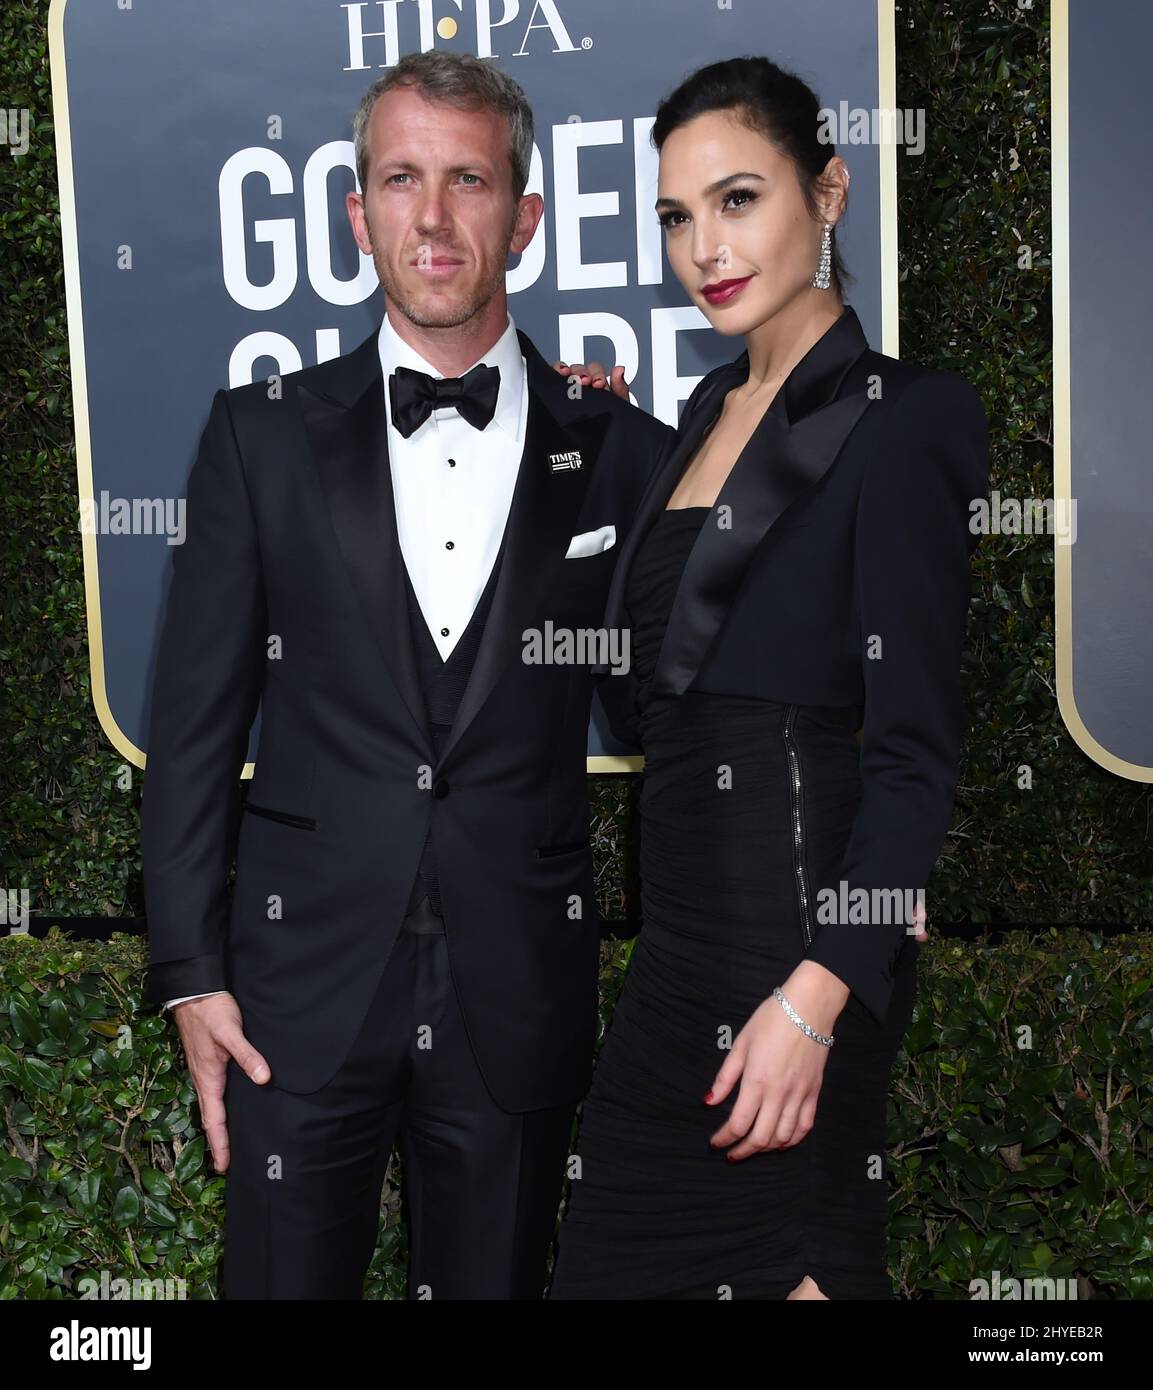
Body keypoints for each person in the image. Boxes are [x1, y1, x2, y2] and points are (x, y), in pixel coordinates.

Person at [140, 50, 672, 1300]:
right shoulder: (255, 437)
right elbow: (194, 730)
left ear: (525, 218)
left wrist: (815, 880)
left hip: (516, 993)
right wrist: (190, 974)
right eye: (400, 179)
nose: (432, 219)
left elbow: (680, 719)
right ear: (357, 213)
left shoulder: (623, 450)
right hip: (293, 1001)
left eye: (468, 181)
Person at [548, 55, 988, 1300]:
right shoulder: (690, 415)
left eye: (738, 200)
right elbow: (653, 693)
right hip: (680, 954)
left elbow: (912, 754)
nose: (704, 248)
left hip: (795, 965)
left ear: (830, 192)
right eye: (677, 217)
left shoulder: (904, 419)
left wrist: (816, 997)